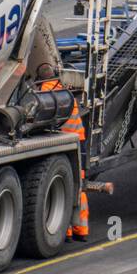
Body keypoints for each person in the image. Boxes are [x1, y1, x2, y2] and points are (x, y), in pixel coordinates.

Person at [36, 65, 89, 243]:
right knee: (78, 186)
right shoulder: (65, 92)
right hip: (78, 142)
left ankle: (65, 231)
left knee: (61, 187)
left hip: (60, 143)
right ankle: (81, 229)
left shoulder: (42, 95)